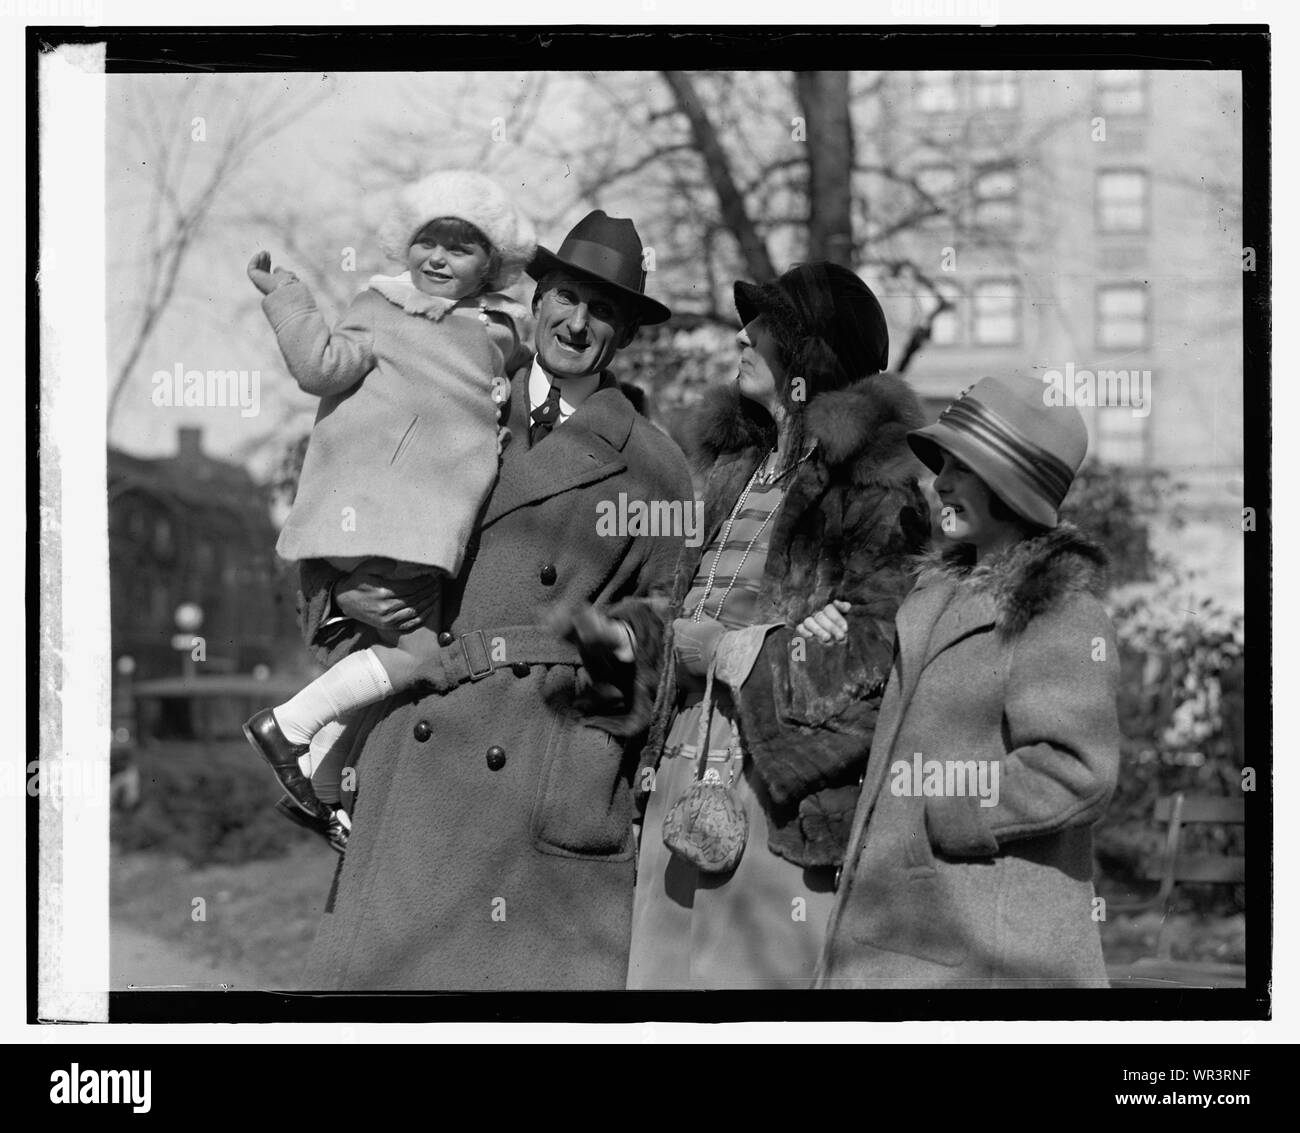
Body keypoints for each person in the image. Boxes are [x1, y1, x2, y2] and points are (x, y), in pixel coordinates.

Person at [295, 210, 693, 990]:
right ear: (537, 298)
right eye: (567, 297)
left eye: (602, 311)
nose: (577, 324)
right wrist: (345, 594)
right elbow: (339, 511)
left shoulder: (656, 468)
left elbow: (657, 626)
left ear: (624, 335)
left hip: (536, 768)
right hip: (412, 747)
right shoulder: (446, 389)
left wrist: (585, 752)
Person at [556, 262, 931, 989]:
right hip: (680, 779)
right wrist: (638, 638)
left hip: (780, 800)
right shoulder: (737, 472)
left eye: (763, 325)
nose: (742, 335)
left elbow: (877, 658)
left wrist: (730, 653)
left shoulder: (878, 488)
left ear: (809, 350)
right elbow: (689, 613)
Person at [242, 171, 535, 845]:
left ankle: (317, 780)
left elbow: (506, 387)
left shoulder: (497, 330)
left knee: (392, 652)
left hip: (423, 524)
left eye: (459, 249)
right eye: (428, 241)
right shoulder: (382, 307)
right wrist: (289, 299)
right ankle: (289, 727)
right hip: (384, 512)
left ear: (489, 265)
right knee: (416, 657)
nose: (437, 258)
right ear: (406, 246)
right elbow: (320, 365)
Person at [817, 374, 1121, 988]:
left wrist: (944, 813)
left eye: (964, 468)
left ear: (1011, 488)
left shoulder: (1056, 609)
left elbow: (1076, 767)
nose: (940, 482)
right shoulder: (934, 594)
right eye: (942, 464)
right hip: (905, 927)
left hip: (987, 949)